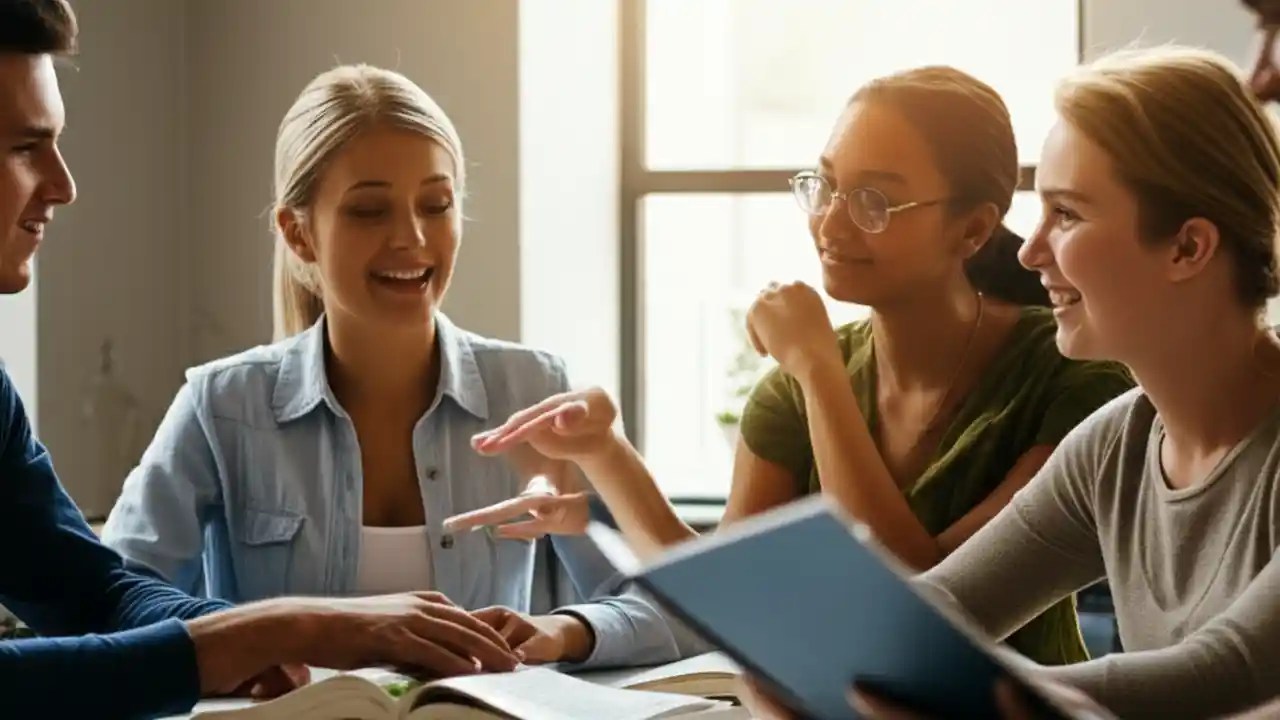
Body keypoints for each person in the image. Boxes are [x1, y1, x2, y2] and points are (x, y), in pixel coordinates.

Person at [459, 65, 1133, 667]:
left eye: (874, 201)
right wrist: (605, 452)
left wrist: (817, 370)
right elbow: (727, 593)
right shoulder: (795, 384)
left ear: (973, 229)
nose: (831, 226)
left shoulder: (1073, 375)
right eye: (828, 186)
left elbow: (922, 604)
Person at [0, 3, 523, 718]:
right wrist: (281, 628)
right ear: (297, 233)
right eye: (24, 148)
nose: (63, 185)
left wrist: (270, 636)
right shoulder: (222, 403)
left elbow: (91, 590)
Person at [100, 62, 695, 670]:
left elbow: (681, 612)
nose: (411, 237)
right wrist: (272, 638)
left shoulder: (535, 392)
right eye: (368, 211)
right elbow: (110, 603)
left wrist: (566, 630)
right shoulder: (222, 406)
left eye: (436, 205)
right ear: (298, 233)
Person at [745, 44, 1280, 719]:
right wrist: (812, 663)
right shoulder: (1113, 447)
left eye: (1067, 214)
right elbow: (940, 605)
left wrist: (914, 685)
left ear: (1187, 247)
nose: (1029, 251)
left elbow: (1233, 669)